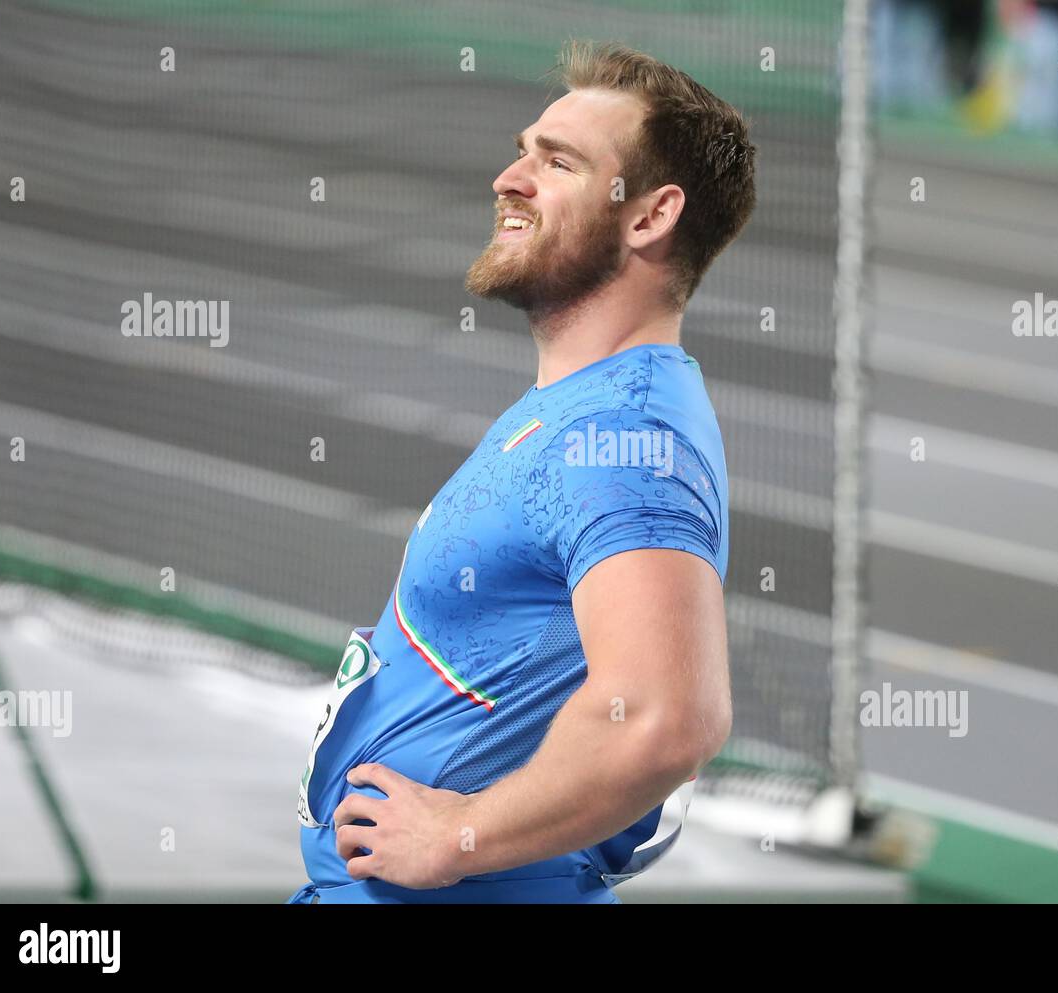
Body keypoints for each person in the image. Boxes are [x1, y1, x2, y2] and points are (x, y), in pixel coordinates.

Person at [287, 39, 754, 904]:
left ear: (647, 216)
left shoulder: (625, 436)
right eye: (522, 151)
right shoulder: (582, 402)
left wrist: (458, 838)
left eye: (558, 162)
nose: (510, 178)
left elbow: (668, 716)